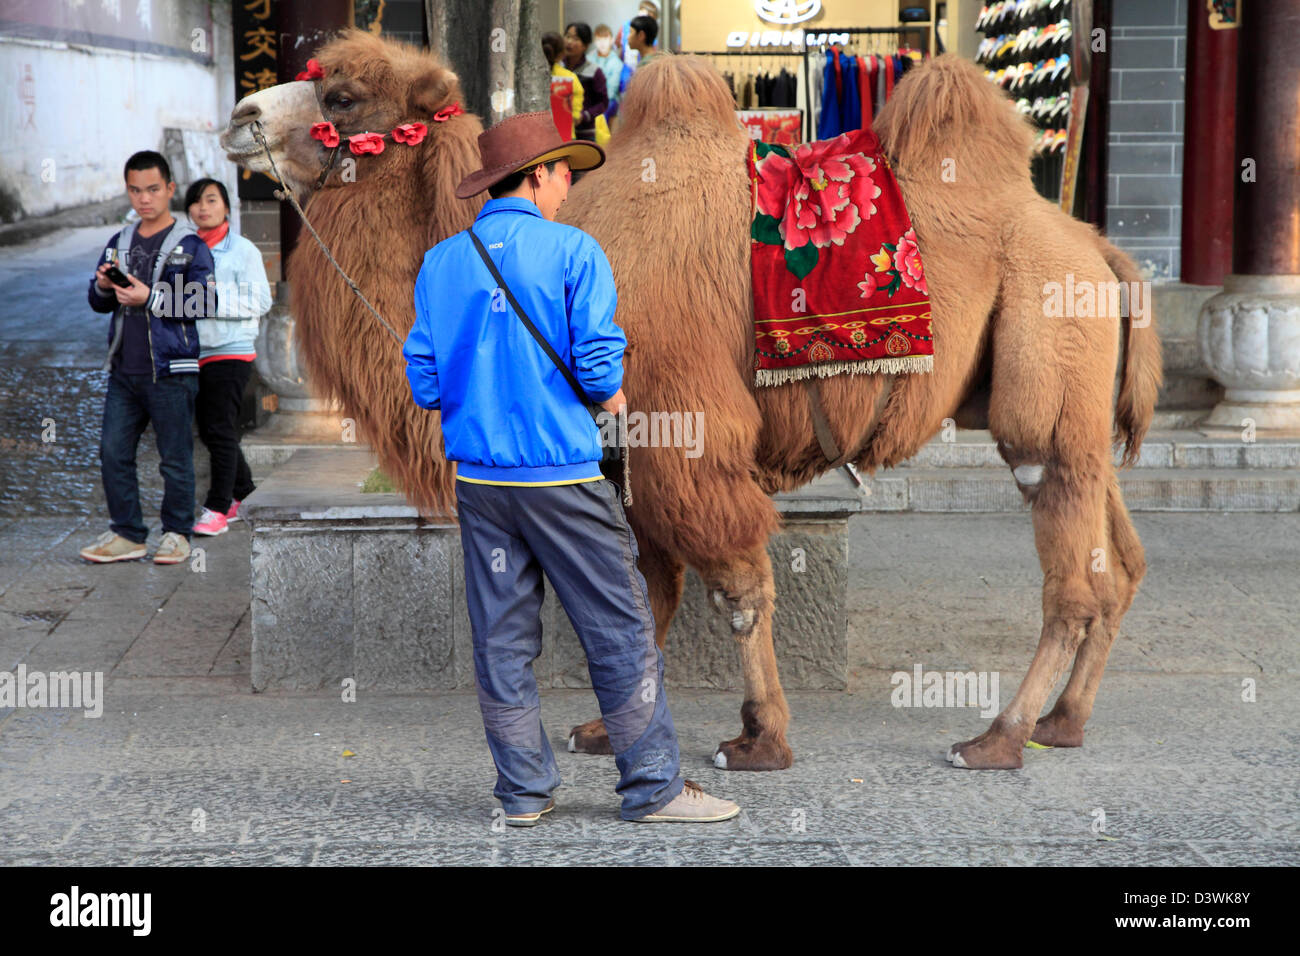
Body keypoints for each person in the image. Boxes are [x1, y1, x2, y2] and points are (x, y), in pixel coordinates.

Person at [403, 111, 740, 826]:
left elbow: (427, 385)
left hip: (483, 486)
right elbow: (596, 365)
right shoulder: (574, 251)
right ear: (536, 176)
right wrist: (614, 395)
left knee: (501, 638)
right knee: (618, 625)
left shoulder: (441, 263)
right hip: (560, 476)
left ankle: (522, 794)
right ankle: (653, 787)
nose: (568, 188)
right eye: (563, 173)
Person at [80, 151, 215, 565]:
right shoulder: (119, 242)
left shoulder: (190, 245)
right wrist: (105, 285)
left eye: (153, 189)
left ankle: (177, 534)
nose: (144, 199)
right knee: (112, 453)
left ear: (170, 190)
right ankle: (127, 534)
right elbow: (97, 302)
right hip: (124, 371)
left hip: (171, 370)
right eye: (136, 190)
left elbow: (205, 301)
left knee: (175, 458)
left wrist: (150, 297)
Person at [185, 177, 271, 536]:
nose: (203, 208)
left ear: (225, 207)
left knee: (219, 428)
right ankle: (244, 494)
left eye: (211, 200)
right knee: (210, 430)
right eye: (197, 202)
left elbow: (261, 301)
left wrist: (213, 300)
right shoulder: (183, 249)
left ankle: (217, 508)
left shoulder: (243, 250)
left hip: (231, 350)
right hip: (194, 351)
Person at [562, 22, 609, 143]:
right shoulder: (557, 67)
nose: (569, 42)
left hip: (584, 132)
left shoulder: (594, 71)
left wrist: (584, 116)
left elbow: (603, 103)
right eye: (567, 36)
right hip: (560, 131)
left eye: (575, 39)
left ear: (586, 45)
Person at [543, 31, 583, 141]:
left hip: (538, 138)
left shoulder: (530, 77)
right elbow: (576, 115)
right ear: (561, 54)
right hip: (565, 137)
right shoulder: (570, 78)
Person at [590, 24, 626, 122]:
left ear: (611, 40)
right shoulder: (589, 58)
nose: (602, 44)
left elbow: (611, 91)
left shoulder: (616, 63)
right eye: (599, 40)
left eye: (605, 39)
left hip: (607, 100)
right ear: (594, 41)